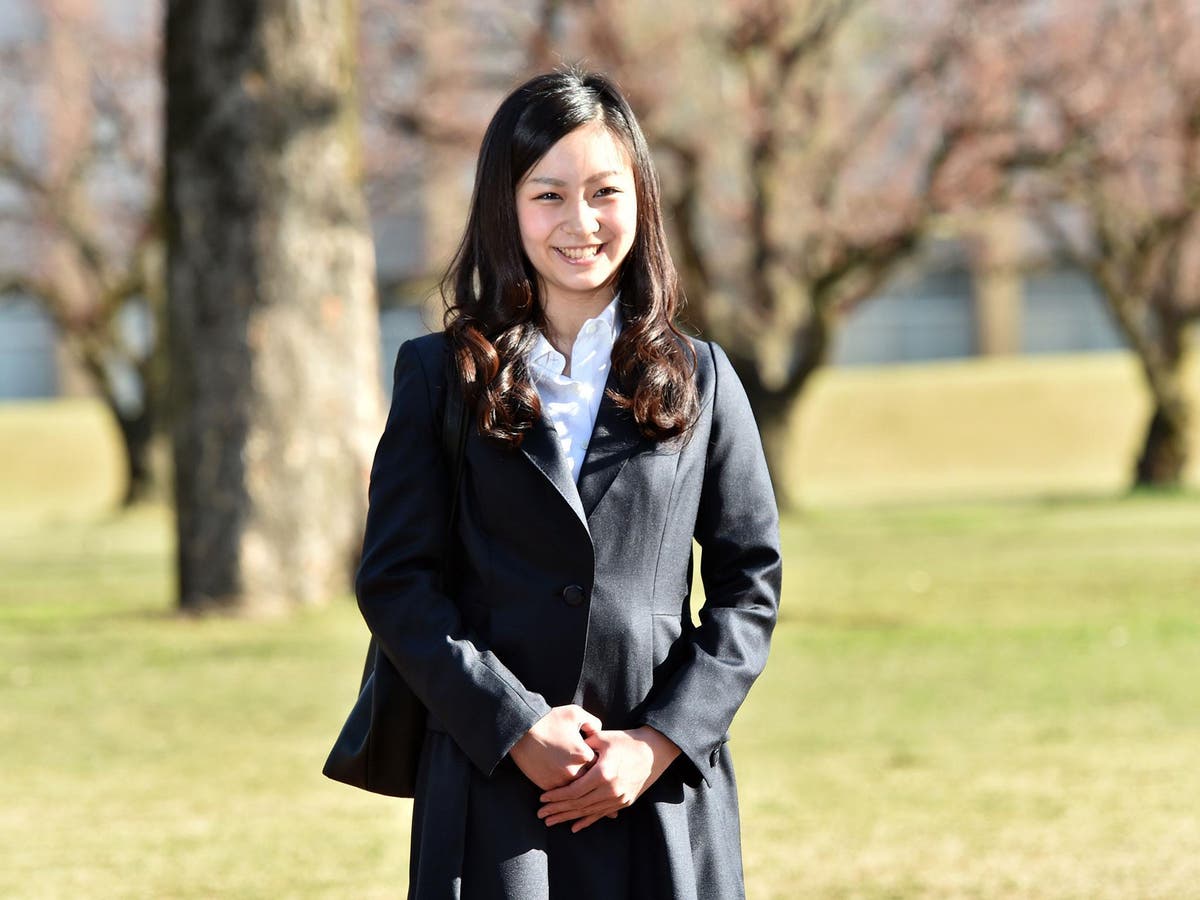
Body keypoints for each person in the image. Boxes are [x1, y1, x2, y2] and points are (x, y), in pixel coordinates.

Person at [355, 68, 782, 900]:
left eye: (603, 191)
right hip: (494, 782)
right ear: (505, 209)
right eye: (547, 194)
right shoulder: (438, 375)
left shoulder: (702, 377)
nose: (579, 222)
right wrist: (514, 724)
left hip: (656, 789)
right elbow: (396, 581)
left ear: (640, 202)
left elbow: (748, 586)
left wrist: (658, 741)